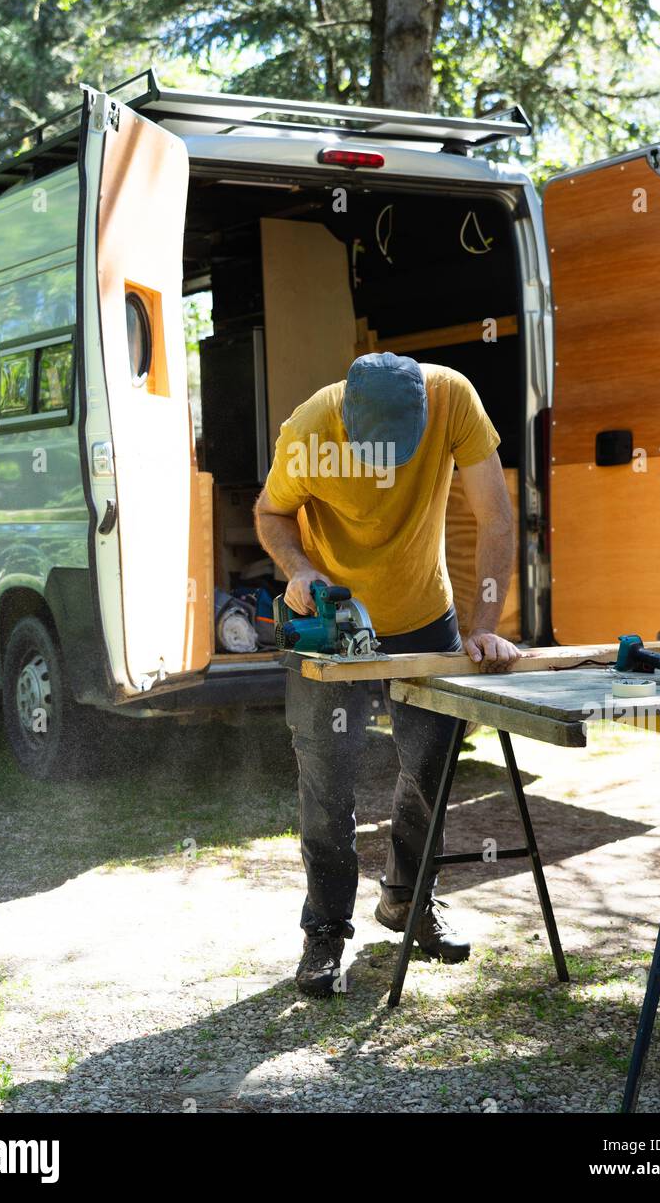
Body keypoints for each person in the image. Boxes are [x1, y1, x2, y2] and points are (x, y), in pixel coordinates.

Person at [255, 352, 519, 996]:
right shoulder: (310, 429)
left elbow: (495, 516)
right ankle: (324, 933)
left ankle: (407, 900)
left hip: (423, 613)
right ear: (346, 419)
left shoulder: (452, 398)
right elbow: (270, 514)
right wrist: (297, 571)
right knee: (327, 780)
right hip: (336, 625)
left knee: (432, 766)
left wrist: (485, 622)